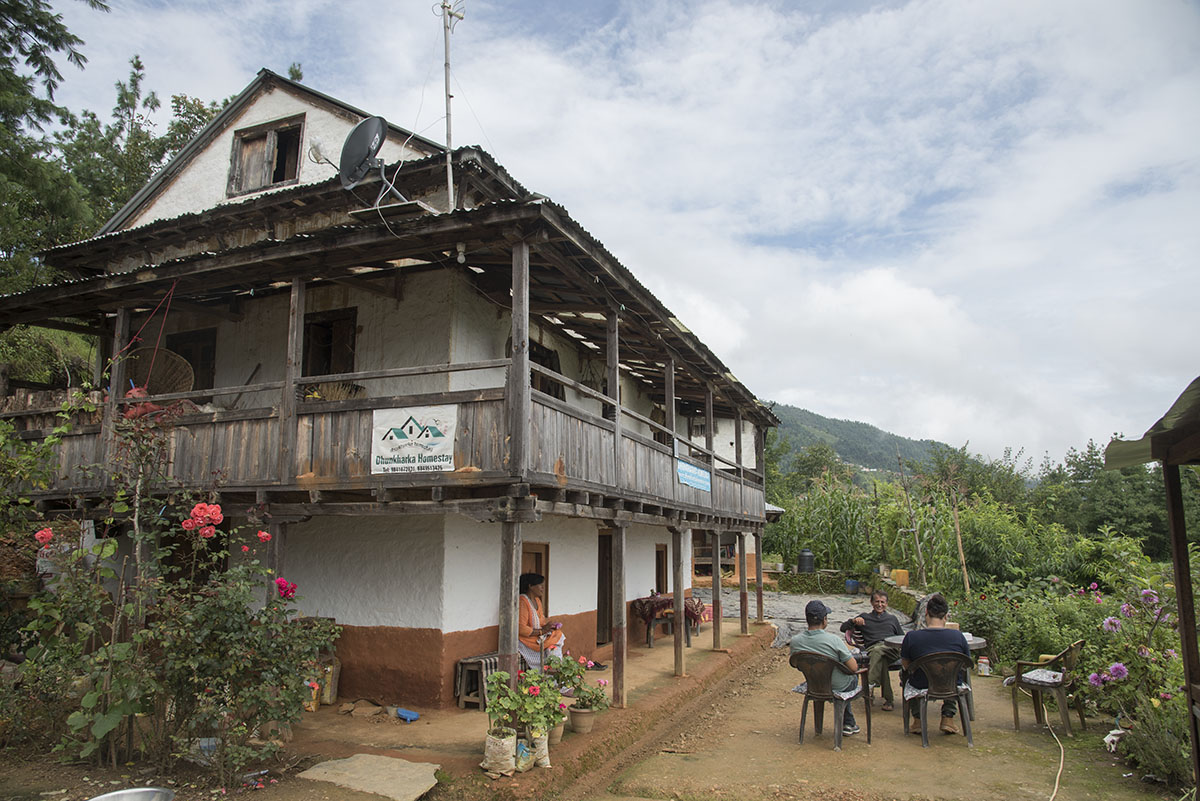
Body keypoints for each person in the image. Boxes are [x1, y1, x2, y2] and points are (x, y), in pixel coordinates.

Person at [899, 593, 969, 734]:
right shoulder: (958, 636)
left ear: (926, 612)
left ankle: (918, 720)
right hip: (951, 686)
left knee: (905, 674)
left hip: (922, 685)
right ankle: (948, 717)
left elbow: (906, 664)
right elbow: (965, 664)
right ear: (946, 615)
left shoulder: (912, 637)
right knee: (951, 674)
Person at [790, 599, 861, 737]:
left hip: (813, 684)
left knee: (834, 676)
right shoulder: (833, 640)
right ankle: (848, 722)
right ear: (824, 619)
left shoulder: (795, 641)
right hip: (837, 686)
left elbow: (796, 665)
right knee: (853, 677)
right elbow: (853, 668)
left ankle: (847, 722)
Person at [840, 589, 903, 711]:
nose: (880, 604)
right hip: (874, 650)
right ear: (871, 603)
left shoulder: (892, 619)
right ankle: (889, 700)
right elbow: (843, 628)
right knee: (880, 658)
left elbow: (902, 636)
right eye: (877, 601)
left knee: (879, 651)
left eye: (883, 602)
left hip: (891, 649)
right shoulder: (864, 617)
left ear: (887, 604)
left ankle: (870, 685)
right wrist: (853, 621)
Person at [518, 572, 565, 671]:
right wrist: (542, 631)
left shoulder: (537, 601)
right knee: (552, 645)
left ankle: (555, 670)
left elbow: (541, 622)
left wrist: (549, 627)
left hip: (536, 635)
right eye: (540, 585)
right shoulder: (522, 601)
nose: (543, 588)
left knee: (557, 635)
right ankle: (553, 673)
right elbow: (521, 629)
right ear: (530, 586)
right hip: (525, 639)